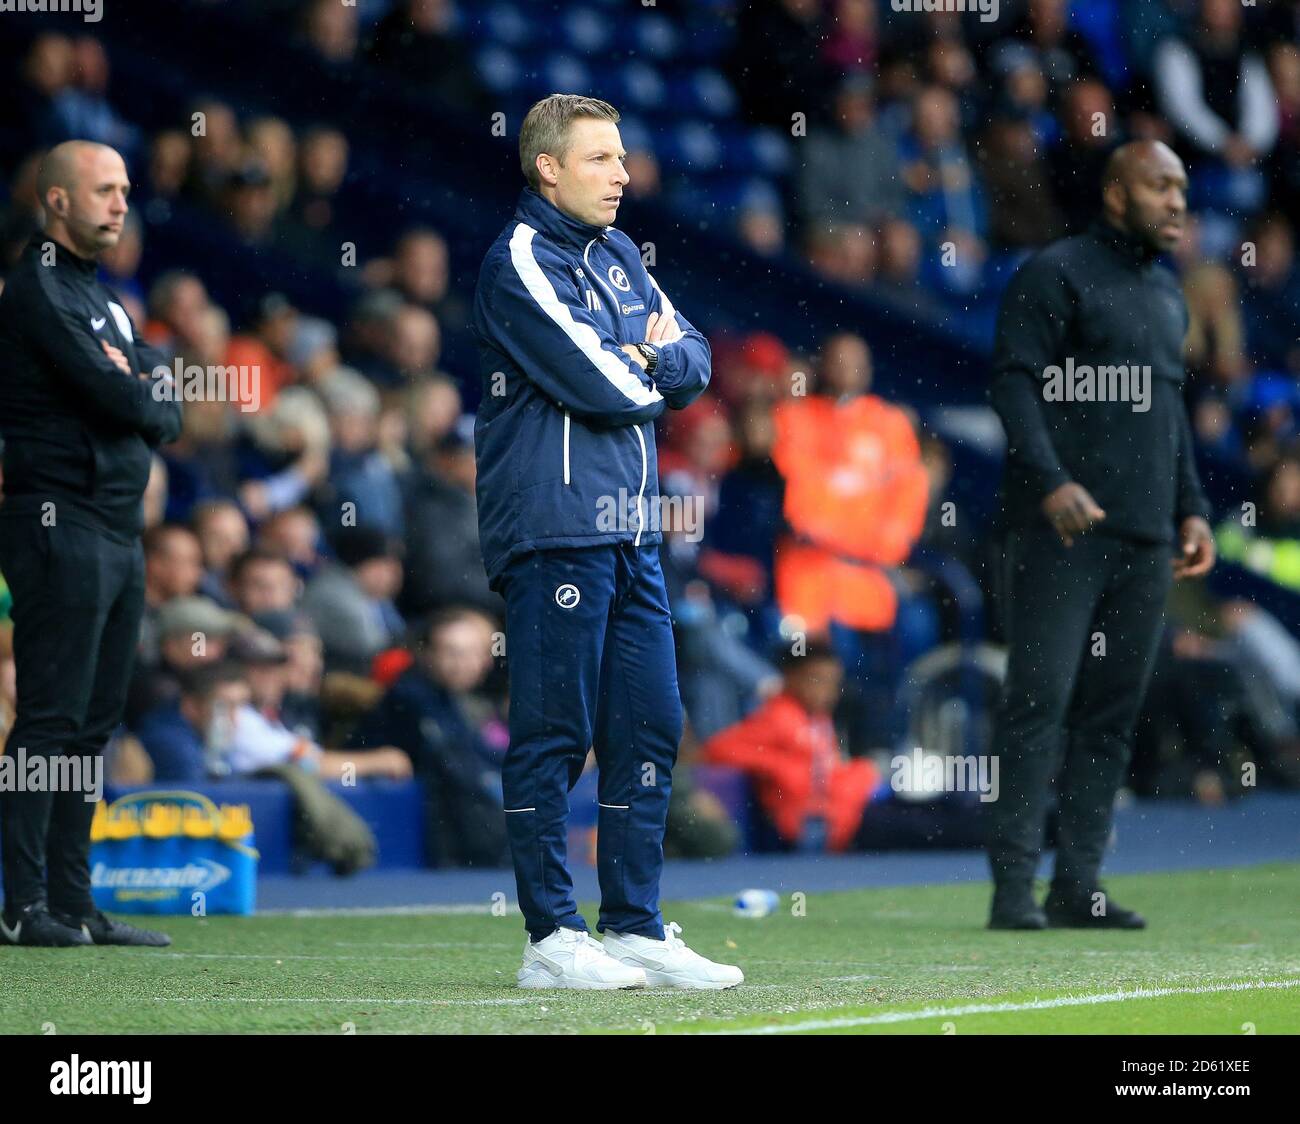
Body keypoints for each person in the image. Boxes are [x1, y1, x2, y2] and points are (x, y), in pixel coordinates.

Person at [473, 94, 739, 990]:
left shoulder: (621, 255)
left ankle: (632, 924)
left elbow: (698, 356)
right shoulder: (517, 261)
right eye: (601, 160)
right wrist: (651, 361)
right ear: (547, 167)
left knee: (651, 725)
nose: (623, 175)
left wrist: (655, 359)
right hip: (555, 530)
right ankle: (550, 937)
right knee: (553, 734)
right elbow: (607, 387)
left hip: (633, 532)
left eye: (621, 158)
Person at [986, 140, 1216, 931]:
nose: (1179, 202)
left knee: (1111, 718)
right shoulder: (1056, 272)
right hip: (1064, 534)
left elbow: (1170, 412)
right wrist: (1051, 482)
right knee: (1039, 704)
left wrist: (1193, 508)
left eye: (1183, 188)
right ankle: (1013, 888)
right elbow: (1013, 383)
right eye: (1162, 186)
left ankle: (1078, 885)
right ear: (1118, 193)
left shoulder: (1168, 295)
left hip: (1147, 537)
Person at [0, 140, 182, 947]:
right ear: (59, 201)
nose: (121, 203)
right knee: (48, 718)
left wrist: (143, 388)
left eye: (126, 190)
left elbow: (164, 402)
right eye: (105, 190)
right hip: (57, 521)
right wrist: (140, 388)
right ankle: (20, 902)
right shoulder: (37, 287)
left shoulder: (104, 299)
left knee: (90, 726)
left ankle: (72, 903)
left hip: (117, 528)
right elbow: (118, 390)